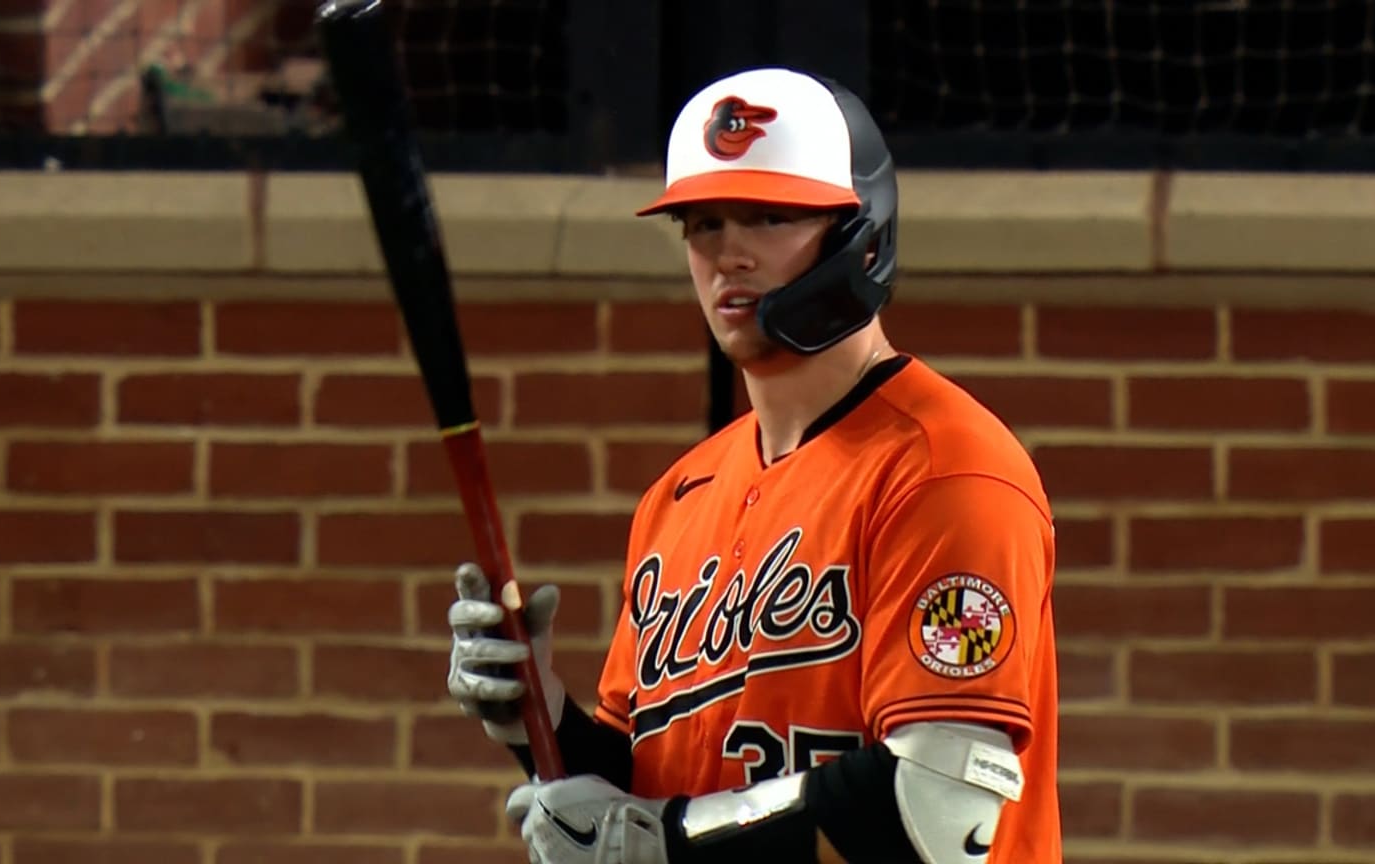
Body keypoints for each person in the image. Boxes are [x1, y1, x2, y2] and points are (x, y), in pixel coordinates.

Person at [446, 66, 1061, 864]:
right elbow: (647, 789)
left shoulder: (947, 470)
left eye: (770, 216)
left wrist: (659, 845)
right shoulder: (677, 497)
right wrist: (542, 716)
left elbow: (935, 814)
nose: (726, 254)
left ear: (860, 234)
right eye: (702, 224)